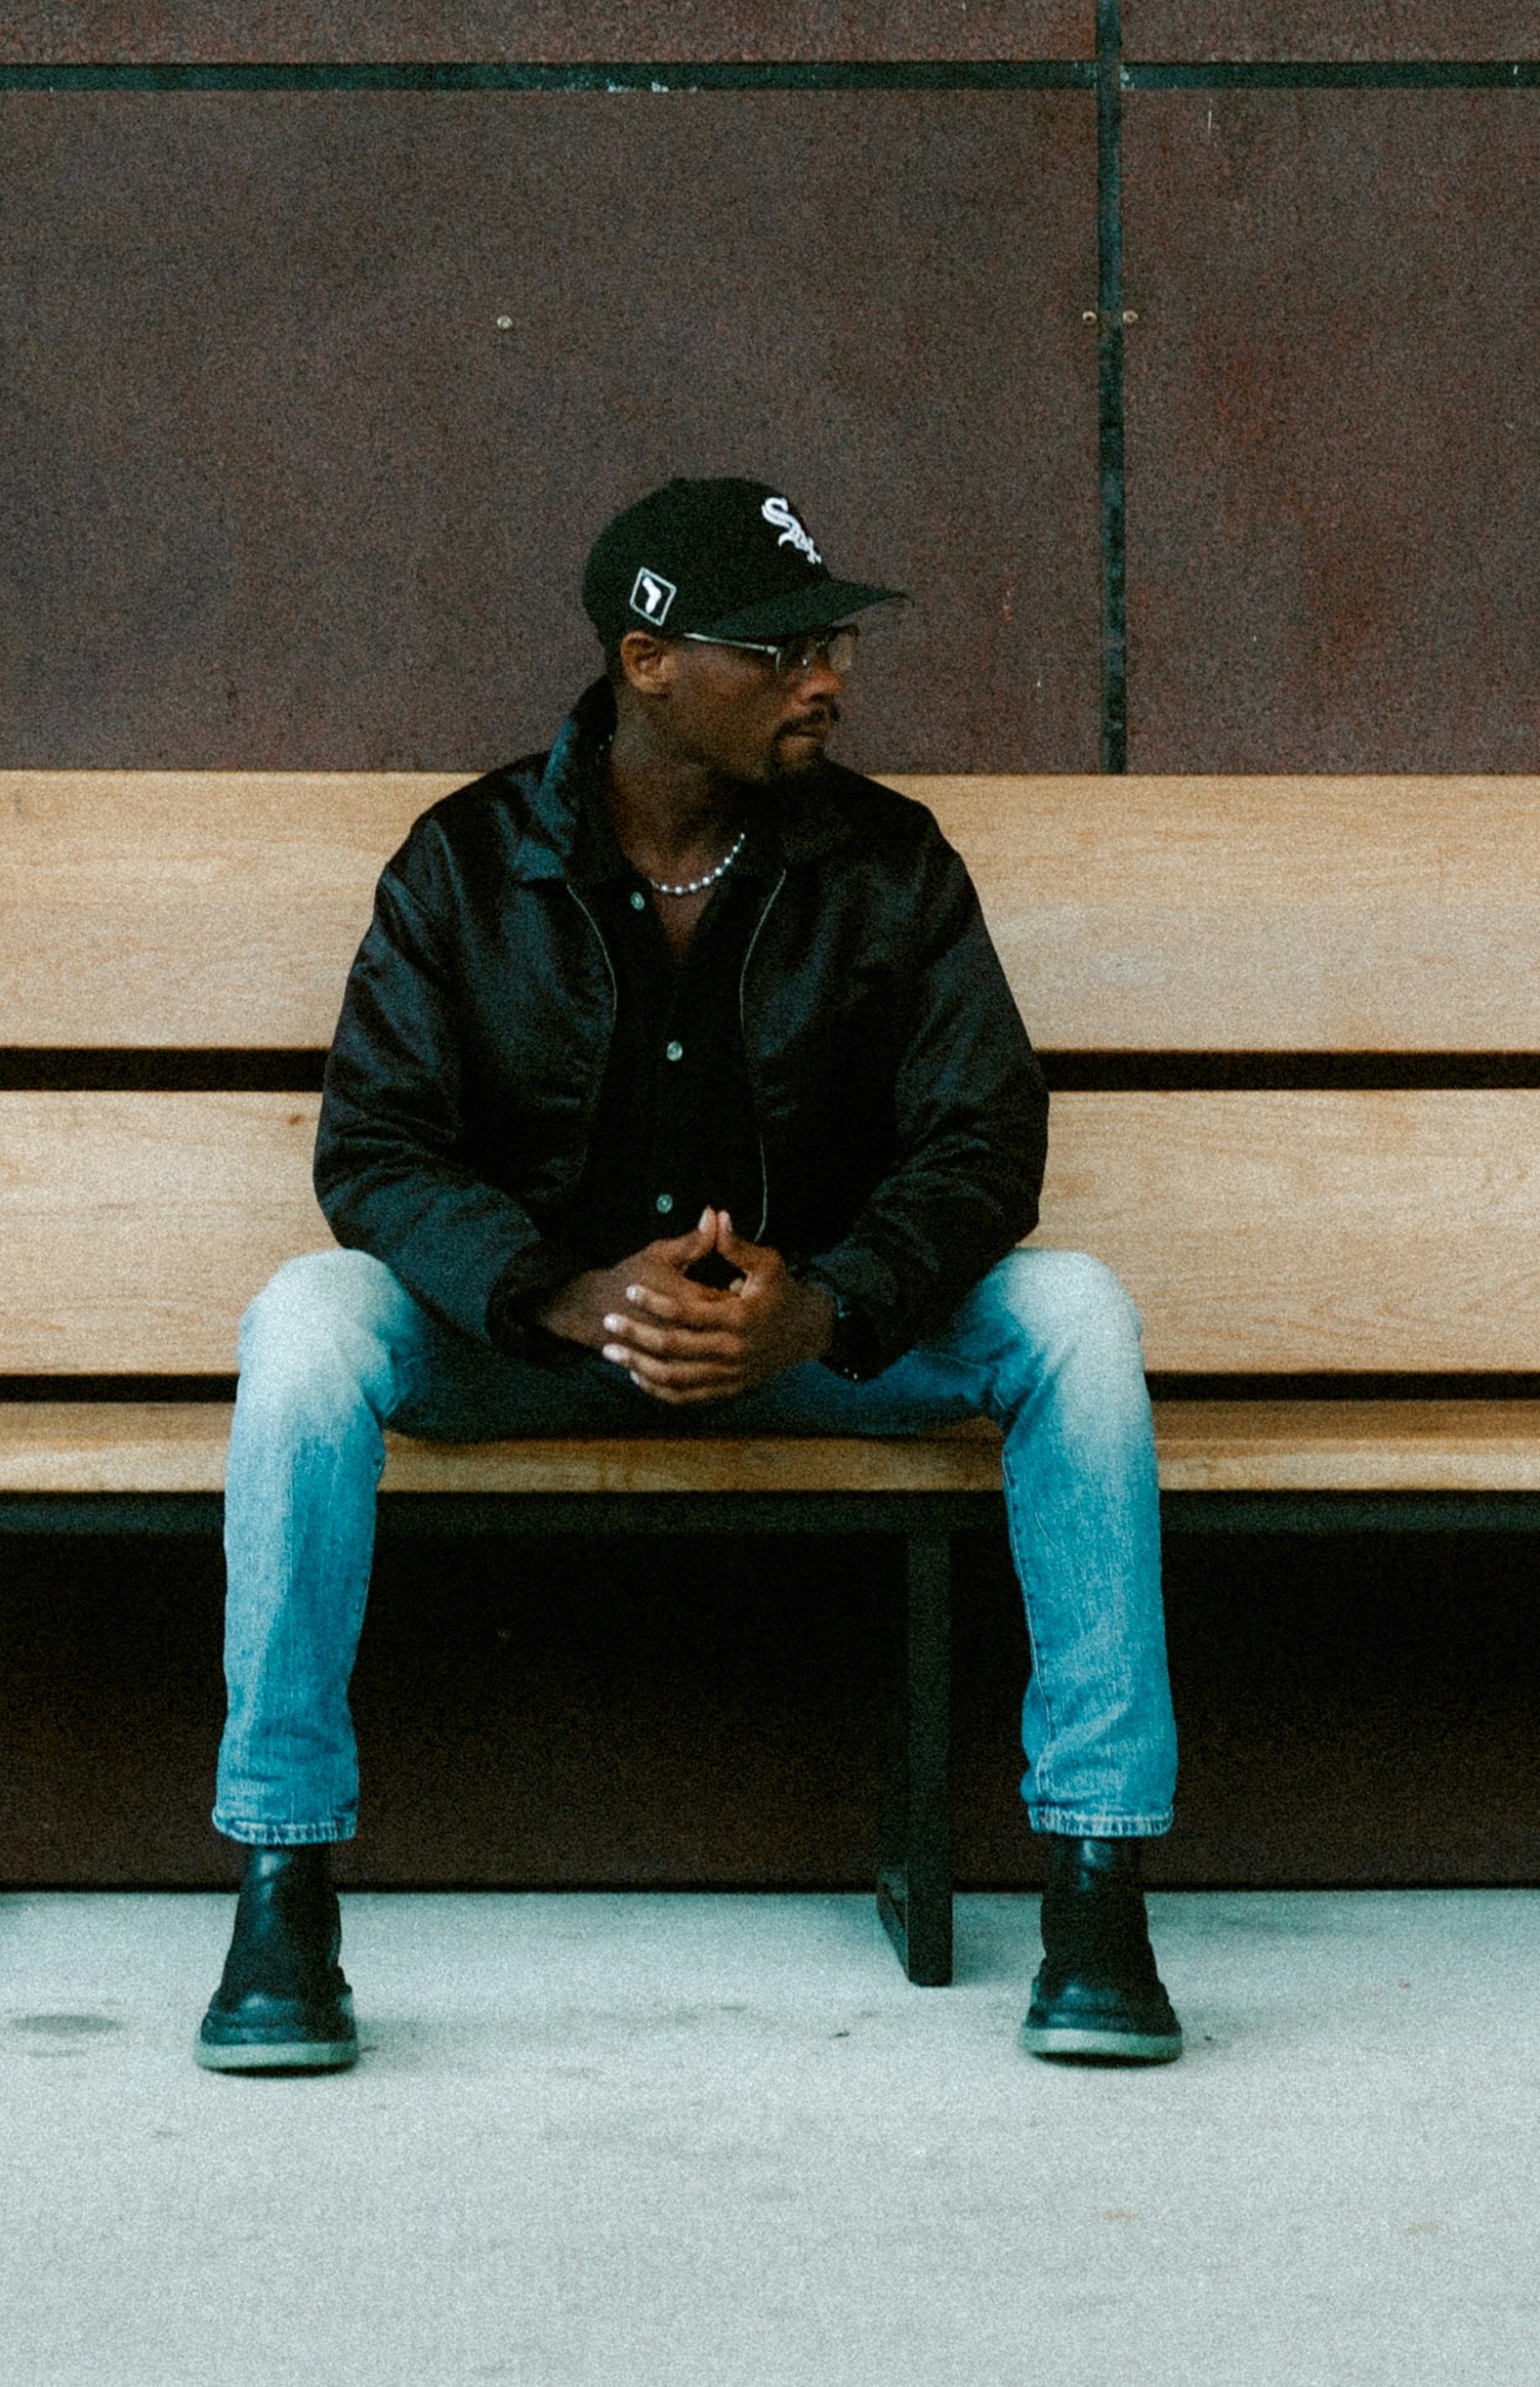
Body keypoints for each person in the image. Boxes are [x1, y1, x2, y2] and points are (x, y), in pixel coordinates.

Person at [197, 475, 1181, 2073]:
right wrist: (559, 1291)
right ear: (647, 657)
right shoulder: (463, 864)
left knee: (1075, 1312)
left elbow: (984, 1135)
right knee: (305, 1324)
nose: (829, 677)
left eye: (836, 640)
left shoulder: (888, 861)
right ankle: (280, 1890)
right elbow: (374, 1148)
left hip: (816, 1343)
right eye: (783, 644)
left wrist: (832, 1299)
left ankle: (1096, 1885)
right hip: (526, 1344)